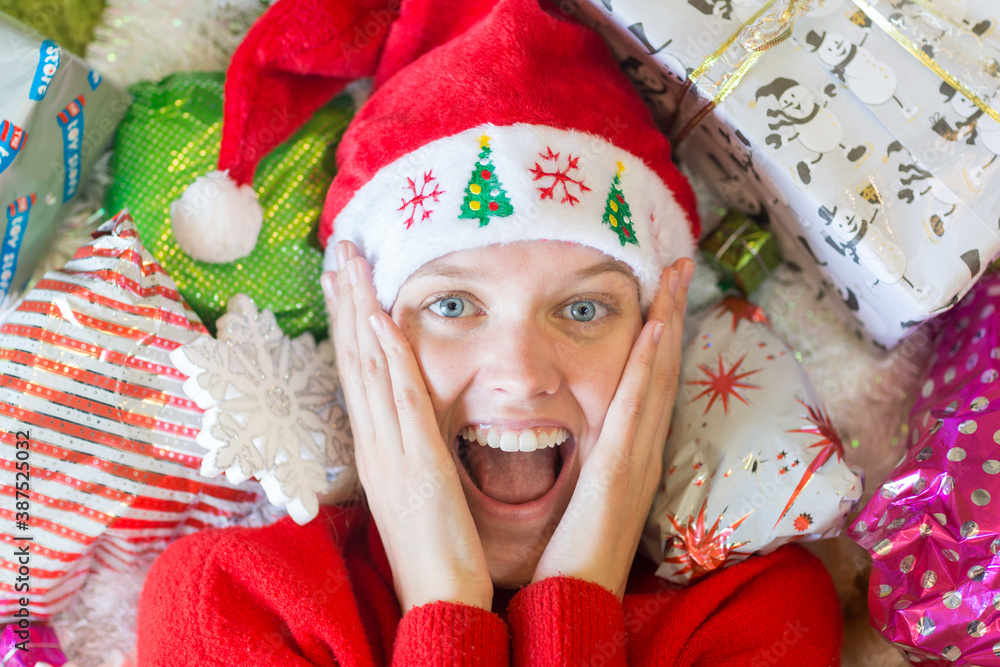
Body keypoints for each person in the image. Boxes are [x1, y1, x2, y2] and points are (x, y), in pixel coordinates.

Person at [137, 0, 843, 664]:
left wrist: (575, 593)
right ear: (360, 337)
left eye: (584, 308)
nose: (520, 371)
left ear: (660, 331)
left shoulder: (755, 614)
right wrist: (447, 602)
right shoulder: (236, 602)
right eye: (450, 305)